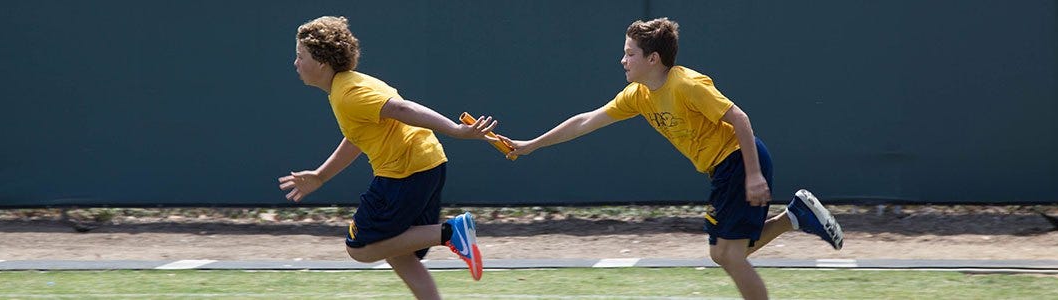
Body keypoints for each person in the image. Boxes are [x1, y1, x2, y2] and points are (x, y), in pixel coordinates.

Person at [498, 17, 843, 300]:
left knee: (730, 255)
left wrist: (753, 175)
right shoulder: (638, 95)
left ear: (653, 59)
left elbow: (740, 118)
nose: (623, 60)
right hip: (723, 168)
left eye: (629, 53)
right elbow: (586, 120)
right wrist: (532, 144)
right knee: (723, 253)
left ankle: (792, 218)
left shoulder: (687, 85)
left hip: (738, 159)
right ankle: (794, 217)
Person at [277, 16, 488, 299]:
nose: (295, 63)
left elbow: (402, 109)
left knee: (359, 247)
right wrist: (321, 176)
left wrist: (456, 130)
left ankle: (451, 232)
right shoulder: (347, 86)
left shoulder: (347, 94)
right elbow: (357, 137)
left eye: (300, 56)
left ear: (322, 62)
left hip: (405, 172)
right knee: (395, 249)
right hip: (428, 163)